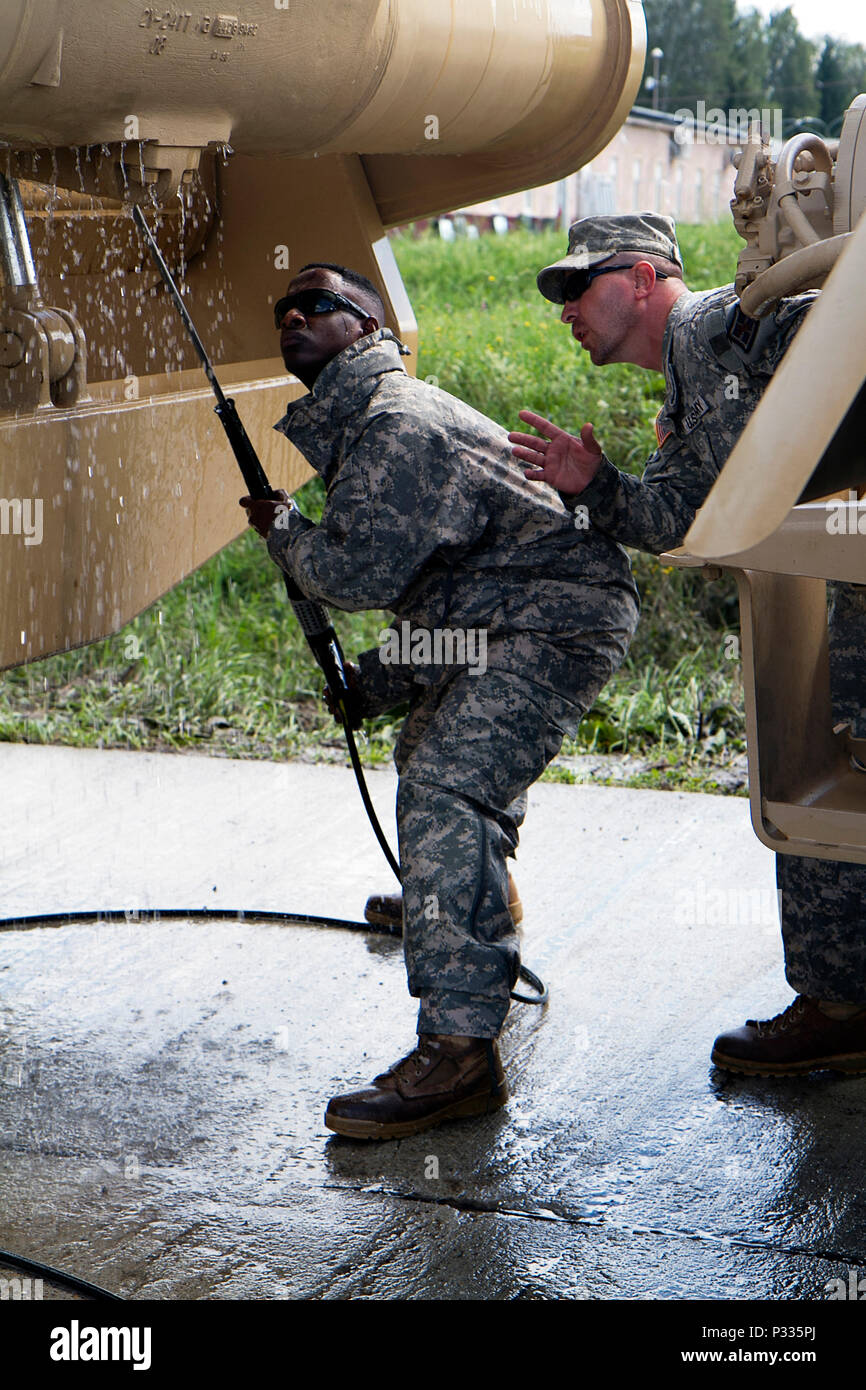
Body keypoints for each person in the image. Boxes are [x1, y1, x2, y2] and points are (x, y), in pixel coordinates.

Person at [241, 261, 640, 1139]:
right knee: (431, 759)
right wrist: (375, 686)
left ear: (367, 327)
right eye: (283, 310)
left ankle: (459, 1055)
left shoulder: (391, 424)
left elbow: (358, 573)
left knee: (446, 787)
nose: (293, 318)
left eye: (318, 305)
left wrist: (285, 530)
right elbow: (443, 587)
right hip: (502, 613)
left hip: (553, 622)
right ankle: (467, 890)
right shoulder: (370, 422)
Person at [509, 212, 866, 1076]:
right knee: (838, 773)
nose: (567, 311)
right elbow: (679, 517)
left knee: (829, 783)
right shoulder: (686, 382)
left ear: (641, 278)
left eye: (579, 286)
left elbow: (837, 320)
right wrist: (598, 487)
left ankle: (838, 1005)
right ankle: (843, 999)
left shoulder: (717, 323)